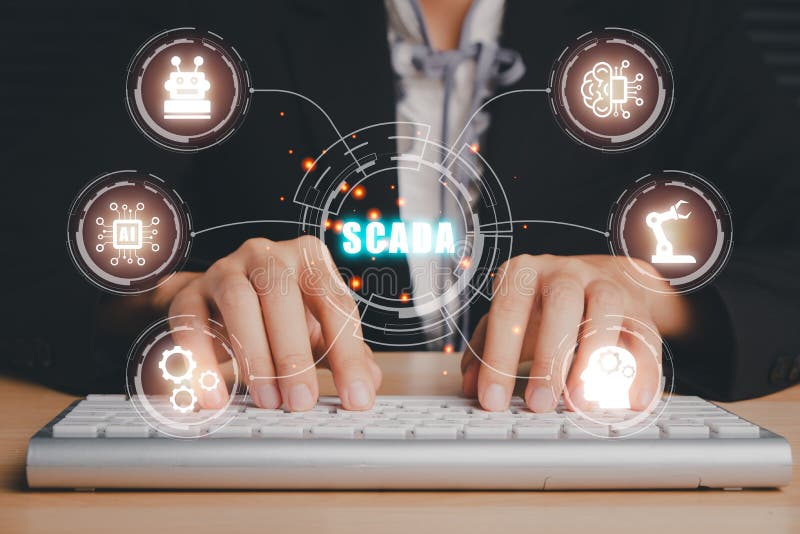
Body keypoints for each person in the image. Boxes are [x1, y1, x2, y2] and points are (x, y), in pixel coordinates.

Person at [2, 0, 799, 413]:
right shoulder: (208, 14)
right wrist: (166, 297)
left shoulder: (669, 17)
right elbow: (35, 260)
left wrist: (661, 302)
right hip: (275, 467)